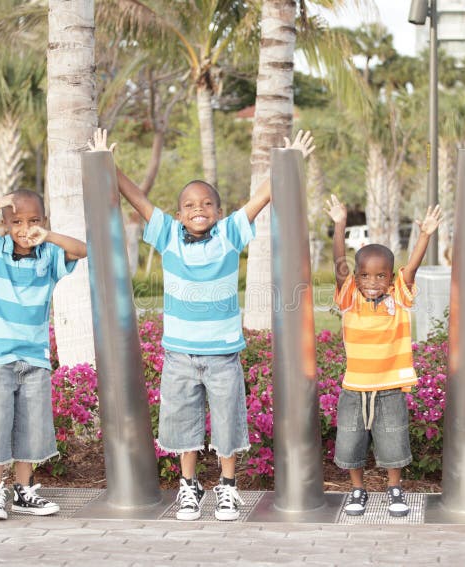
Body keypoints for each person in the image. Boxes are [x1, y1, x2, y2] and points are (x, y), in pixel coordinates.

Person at [89, 127, 315, 521]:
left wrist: (290, 159)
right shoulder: (168, 237)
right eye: (191, 204)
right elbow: (138, 199)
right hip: (179, 354)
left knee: (227, 423)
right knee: (182, 426)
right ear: (179, 214)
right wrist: (108, 163)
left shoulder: (229, 235)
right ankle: (189, 486)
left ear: (218, 211)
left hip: (224, 355)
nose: (199, 209)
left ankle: (227, 488)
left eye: (207, 203)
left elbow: (262, 197)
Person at [0, 189, 87, 521]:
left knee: (31, 426)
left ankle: (24, 492)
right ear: (4, 223)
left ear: (43, 222)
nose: (24, 228)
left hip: (35, 358)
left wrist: (49, 235)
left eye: (33, 221)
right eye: (16, 221)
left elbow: (82, 250)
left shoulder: (48, 256)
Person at [324, 194, 441, 517]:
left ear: (390, 277)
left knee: (393, 444)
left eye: (380, 276)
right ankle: (358, 490)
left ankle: (394, 489)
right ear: (356, 277)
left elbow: (412, 268)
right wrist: (340, 225)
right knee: (350, 443)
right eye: (365, 275)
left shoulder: (399, 298)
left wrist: (425, 235)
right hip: (355, 388)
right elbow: (339, 265)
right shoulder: (349, 298)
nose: (372, 282)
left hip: (390, 387)